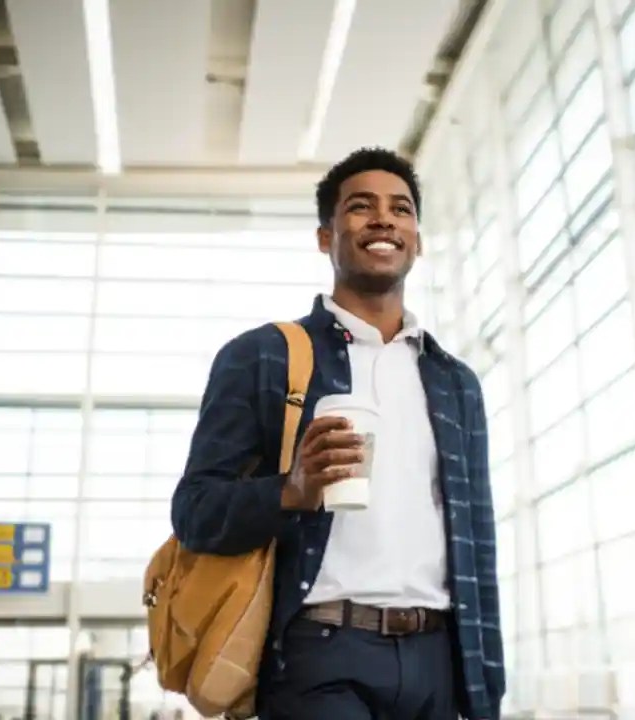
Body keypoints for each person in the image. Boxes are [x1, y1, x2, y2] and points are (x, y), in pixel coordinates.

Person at [171, 147, 503, 720]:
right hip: (320, 654)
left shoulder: (455, 383)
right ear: (326, 237)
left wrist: (485, 684)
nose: (383, 219)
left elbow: (477, 540)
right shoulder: (264, 357)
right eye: (360, 207)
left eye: (401, 209)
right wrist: (289, 491)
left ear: (417, 241)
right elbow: (195, 511)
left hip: (438, 660)